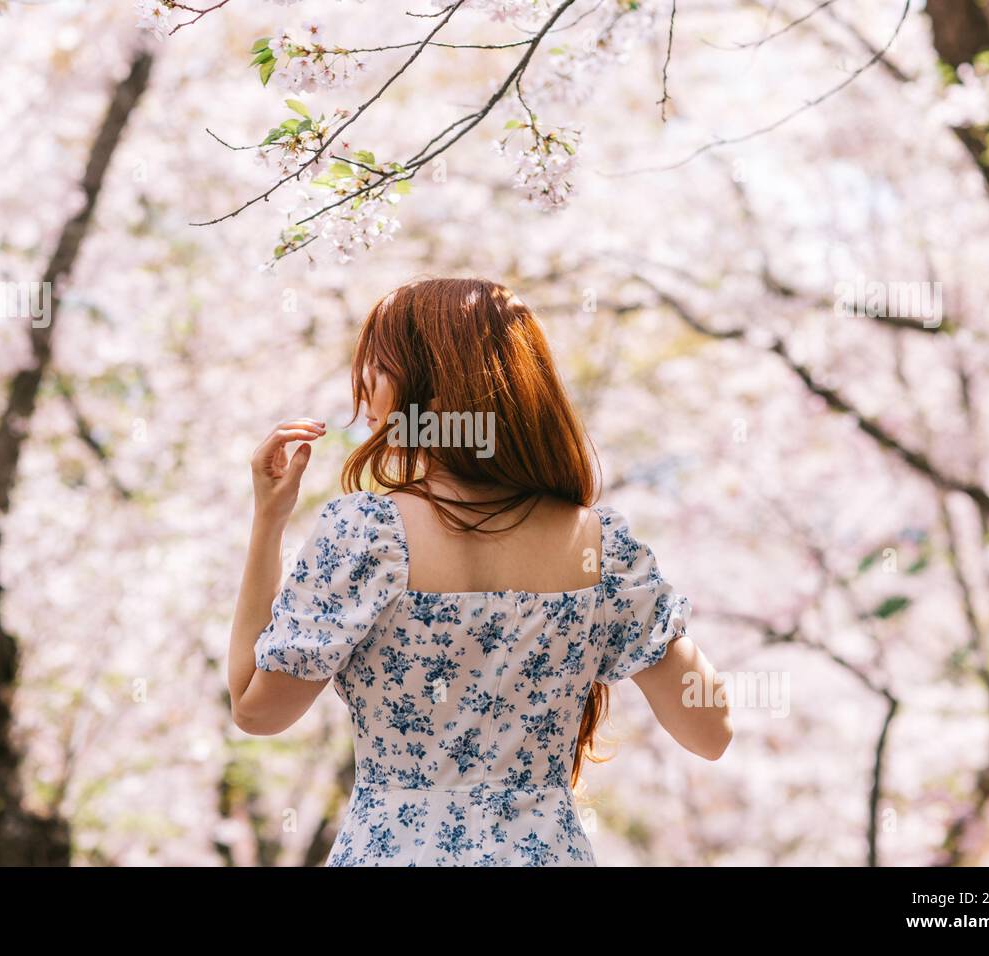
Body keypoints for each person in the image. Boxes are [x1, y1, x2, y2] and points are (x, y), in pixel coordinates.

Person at [227, 277, 732, 866]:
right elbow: (711, 731)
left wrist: (268, 524)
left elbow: (255, 709)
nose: (363, 392)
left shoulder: (366, 533)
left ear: (430, 385)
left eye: (378, 368)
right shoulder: (601, 546)